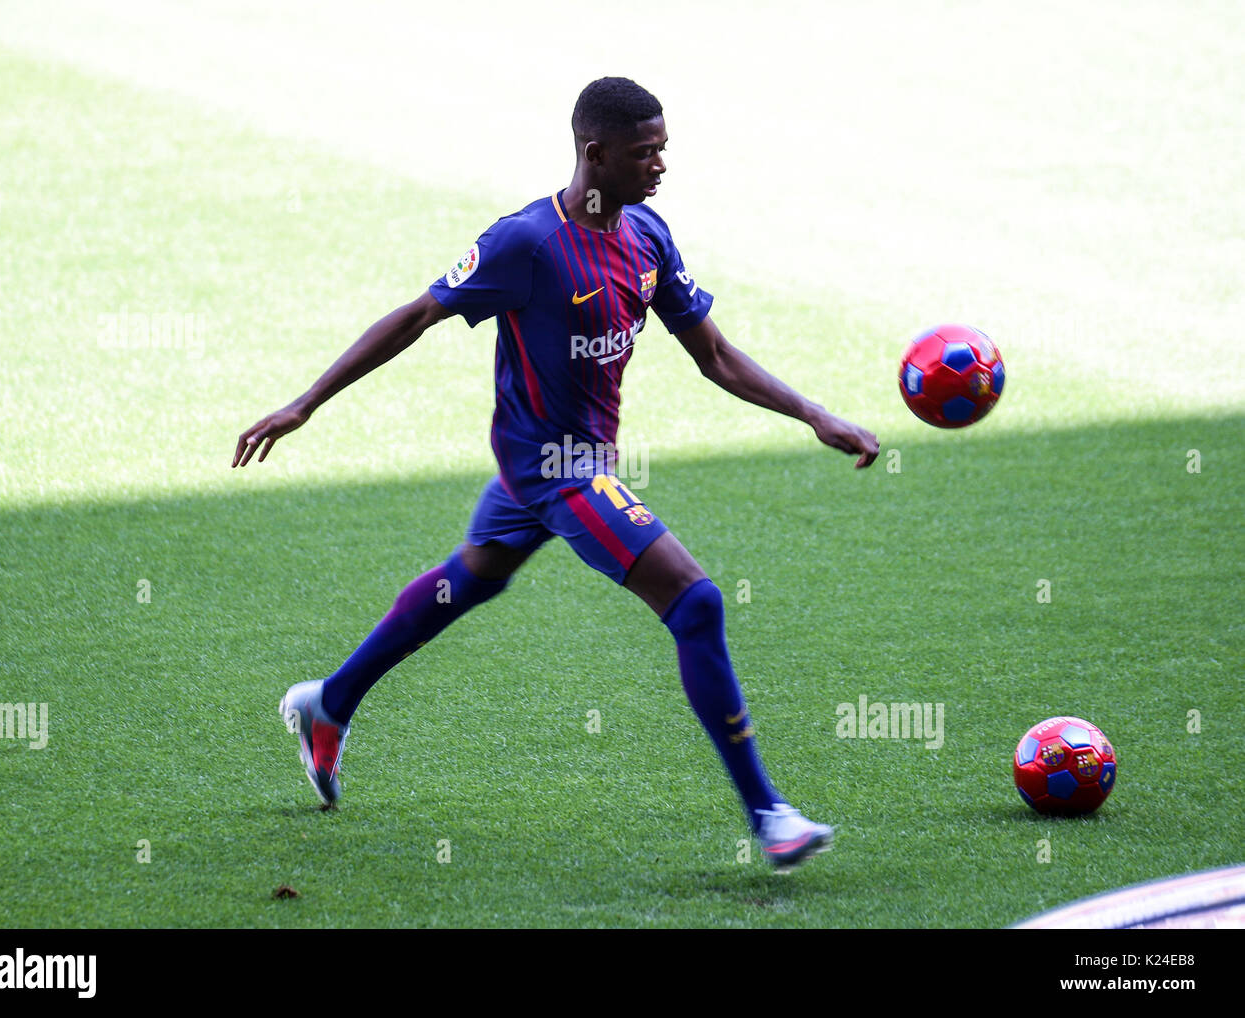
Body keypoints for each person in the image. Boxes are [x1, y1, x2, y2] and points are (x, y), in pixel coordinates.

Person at [233, 76, 879, 869]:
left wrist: (814, 413)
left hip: (569, 460)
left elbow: (713, 356)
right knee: (697, 600)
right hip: (554, 468)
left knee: (468, 579)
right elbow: (416, 316)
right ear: (594, 152)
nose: (661, 165)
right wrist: (306, 403)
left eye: (665, 149)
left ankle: (327, 703)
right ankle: (770, 813)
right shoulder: (525, 244)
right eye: (646, 153)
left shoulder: (647, 234)